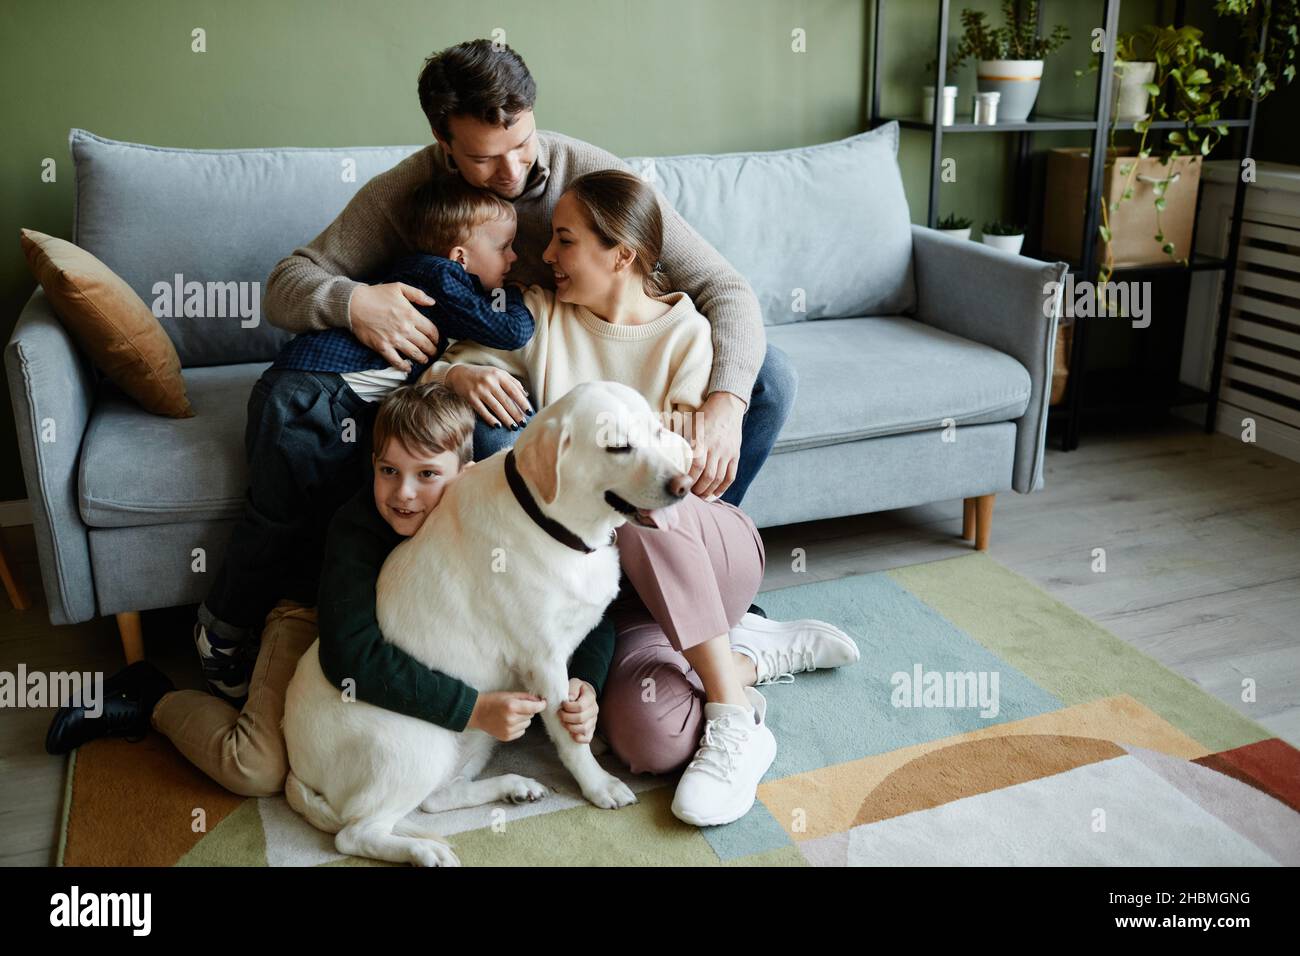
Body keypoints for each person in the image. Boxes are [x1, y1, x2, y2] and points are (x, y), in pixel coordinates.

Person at [425, 169, 858, 827]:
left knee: (634, 503)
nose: (546, 254)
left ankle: (732, 715)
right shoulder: (537, 320)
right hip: (618, 597)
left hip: (707, 550)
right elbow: (434, 370)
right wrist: (459, 374)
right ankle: (745, 660)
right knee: (646, 741)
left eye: (564, 241)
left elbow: (679, 481)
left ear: (620, 255)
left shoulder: (687, 333)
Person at [261, 38, 797, 514]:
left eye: (522, 143)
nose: (512, 172)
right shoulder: (408, 192)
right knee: (492, 427)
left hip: (620, 357)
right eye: (484, 158)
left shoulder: (589, 175)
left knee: (767, 378)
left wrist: (726, 406)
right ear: (442, 141)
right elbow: (287, 282)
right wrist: (356, 302)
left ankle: (698, 553)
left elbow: (722, 286)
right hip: (520, 372)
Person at [44, 384, 608, 792]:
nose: (404, 493)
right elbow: (351, 656)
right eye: (388, 471)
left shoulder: (486, 513)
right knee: (258, 768)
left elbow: (570, 602)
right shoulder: (358, 527)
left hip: (419, 636)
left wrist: (586, 684)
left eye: (427, 475)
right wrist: (471, 709)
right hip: (314, 619)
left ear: (465, 473)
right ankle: (151, 698)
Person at [193, 175, 537, 705]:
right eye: (505, 247)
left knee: (322, 512)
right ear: (462, 255)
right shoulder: (443, 279)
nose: (514, 257)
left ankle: (297, 624)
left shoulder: (435, 276)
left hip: (328, 402)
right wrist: (518, 294)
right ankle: (221, 629)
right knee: (273, 519)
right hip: (305, 400)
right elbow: (512, 332)